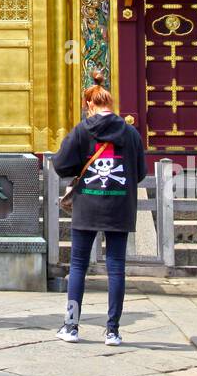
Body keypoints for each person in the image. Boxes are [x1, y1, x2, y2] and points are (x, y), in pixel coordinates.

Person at [52, 71, 147, 346]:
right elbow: (139, 172)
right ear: (110, 103)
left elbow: (60, 164)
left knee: (79, 265)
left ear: (89, 105)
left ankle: (71, 326)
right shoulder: (130, 133)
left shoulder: (82, 130)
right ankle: (113, 330)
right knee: (116, 267)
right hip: (119, 205)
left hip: (87, 205)